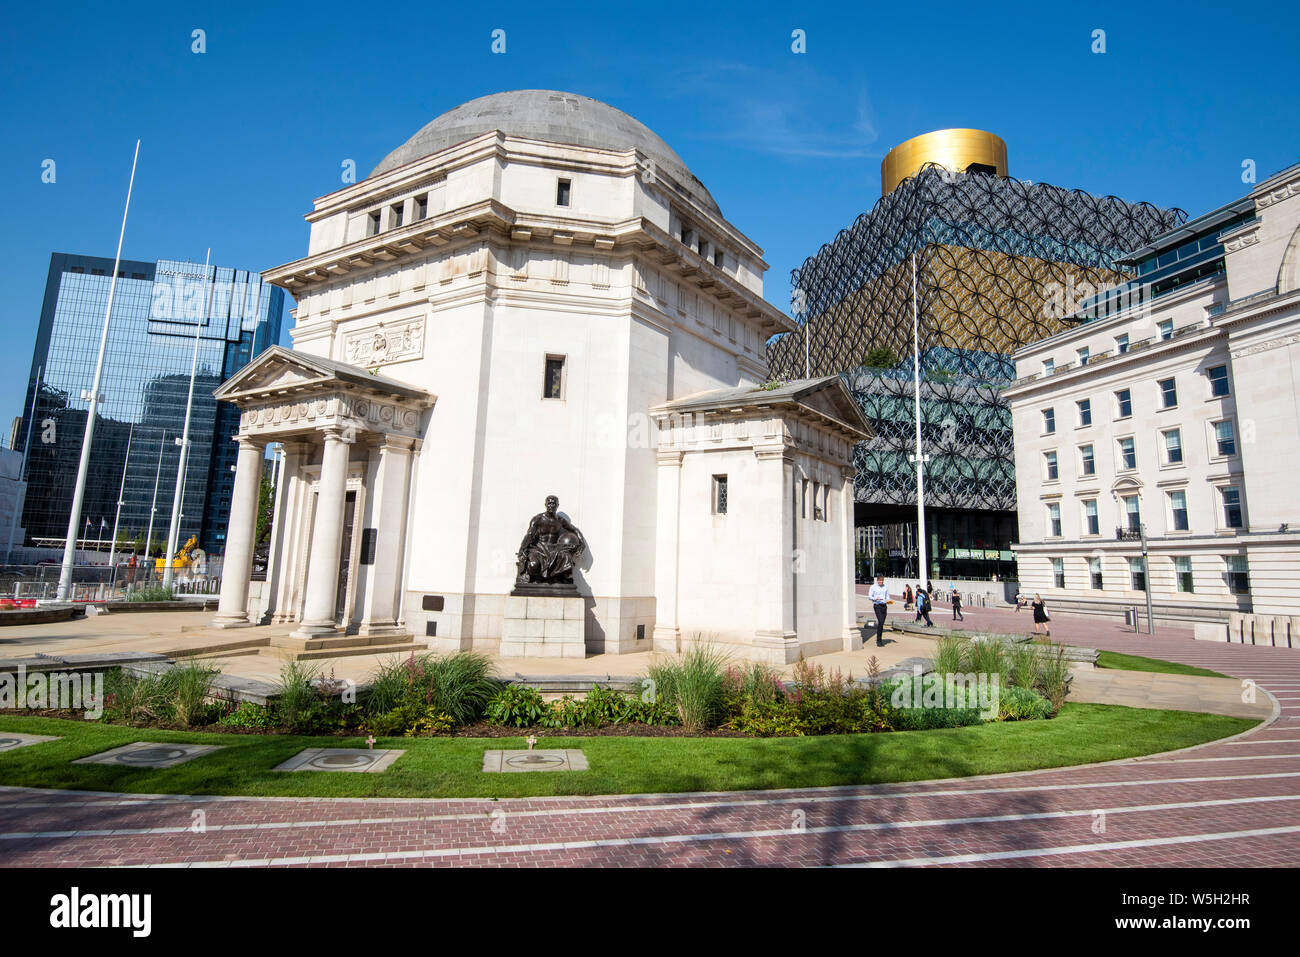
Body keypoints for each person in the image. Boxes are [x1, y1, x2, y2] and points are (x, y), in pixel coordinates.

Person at [867, 574, 891, 647]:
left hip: (884, 606)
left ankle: (879, 637)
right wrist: (875, 598)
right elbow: (870, 596)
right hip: (877, 605)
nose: (881, 582)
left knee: (882, 623)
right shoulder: (873, 587)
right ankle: (879, 640)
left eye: (882, 581)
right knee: (880, 622)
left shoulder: (885, 587)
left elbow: (887, 596)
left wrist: (889, 600)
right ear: (877, 580)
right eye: (879, 580)